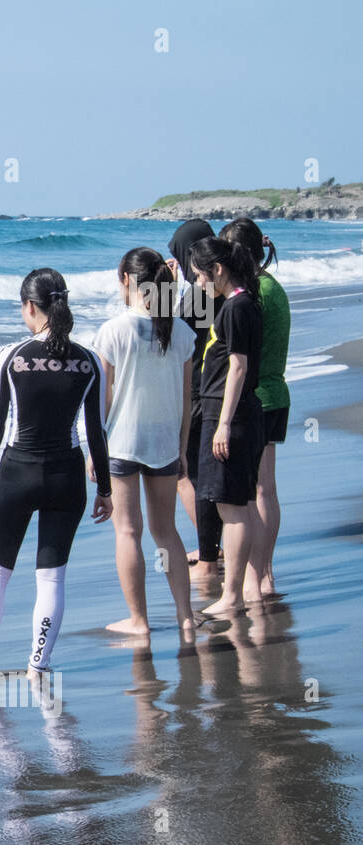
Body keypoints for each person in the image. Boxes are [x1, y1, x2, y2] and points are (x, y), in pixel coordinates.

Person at [0, 268, 112, 685]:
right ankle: (37, 667)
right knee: (52, 576)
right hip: (67, 477)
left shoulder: (12, 357)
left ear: (30, 307)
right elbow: (96, 430)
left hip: (17, 474)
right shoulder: (89, 361)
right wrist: (106, 490)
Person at [91, 248, 196, 635]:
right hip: (166, 442)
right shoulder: (182, 331)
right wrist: (183, 449)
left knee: (128, 532)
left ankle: (139, 621)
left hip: (121, 443)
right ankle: (185, 615)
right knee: (166, 531)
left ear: (125, 279)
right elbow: (186, 399)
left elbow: (101, 402)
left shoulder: (113, 331)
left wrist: (93, 453)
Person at [190, 237, 268, 616]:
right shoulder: (244, 301)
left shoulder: (236, 307)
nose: (198, 285)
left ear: (217, 270)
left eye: (199, 277)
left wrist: (222, 424)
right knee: (242, 504)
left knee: (232, 507)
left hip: (230, 414)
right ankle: (245, 588)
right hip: (238, 413)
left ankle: (233, 594)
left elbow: (238, 366)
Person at [219, 218, 289, 597]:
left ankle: (256, 578)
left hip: (257, 399)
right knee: (267, 491)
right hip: (276, 393)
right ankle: (265, 573)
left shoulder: (254, 292)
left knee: (253, 494)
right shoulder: (273, 287)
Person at [167, 220, 224, 581]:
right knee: (203, 476)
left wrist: (169, 290)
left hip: (197, 393)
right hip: (212, 390)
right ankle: (214, 545)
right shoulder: (217, 287)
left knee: (185, 473)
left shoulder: (199, 294)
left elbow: (171, 331)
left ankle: (210, 549)